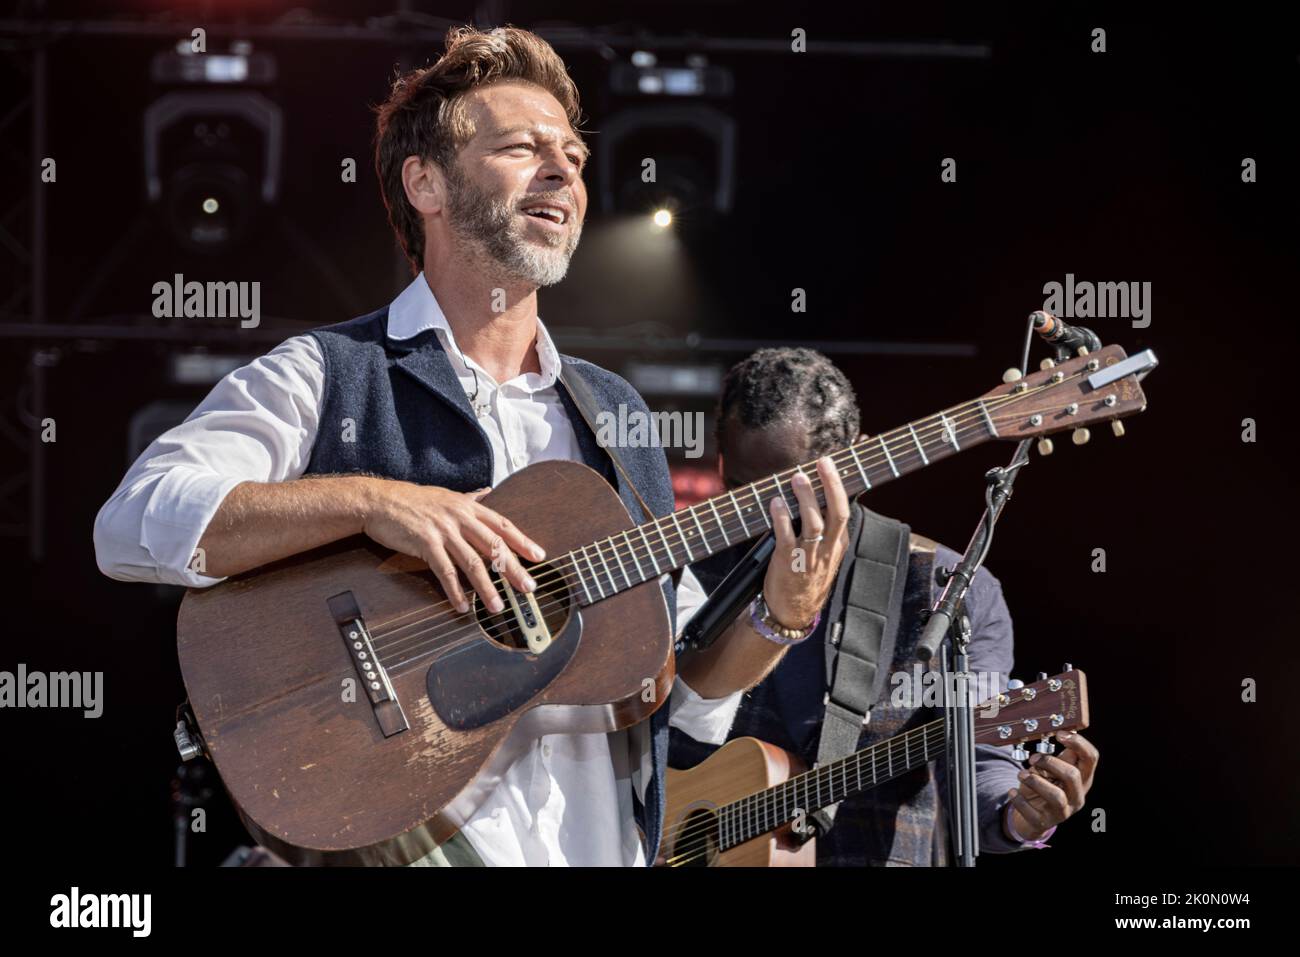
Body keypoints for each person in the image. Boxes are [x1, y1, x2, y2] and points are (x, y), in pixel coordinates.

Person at [94, 27, 851, 867]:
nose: (563, 169)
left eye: (572, 152)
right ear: (427, 182)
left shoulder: (613, 411)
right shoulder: (329, 373)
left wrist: (779, 617)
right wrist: (379, 503)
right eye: (524, 147)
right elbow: (132, 522)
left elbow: (680, 694)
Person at [670, 347, 1099, 865]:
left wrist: (1017, 816)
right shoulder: (685, 571)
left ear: (860, 464)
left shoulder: (949, 589)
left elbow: (979, 767)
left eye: (793, 494)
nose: (767, 518)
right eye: (740, 489)